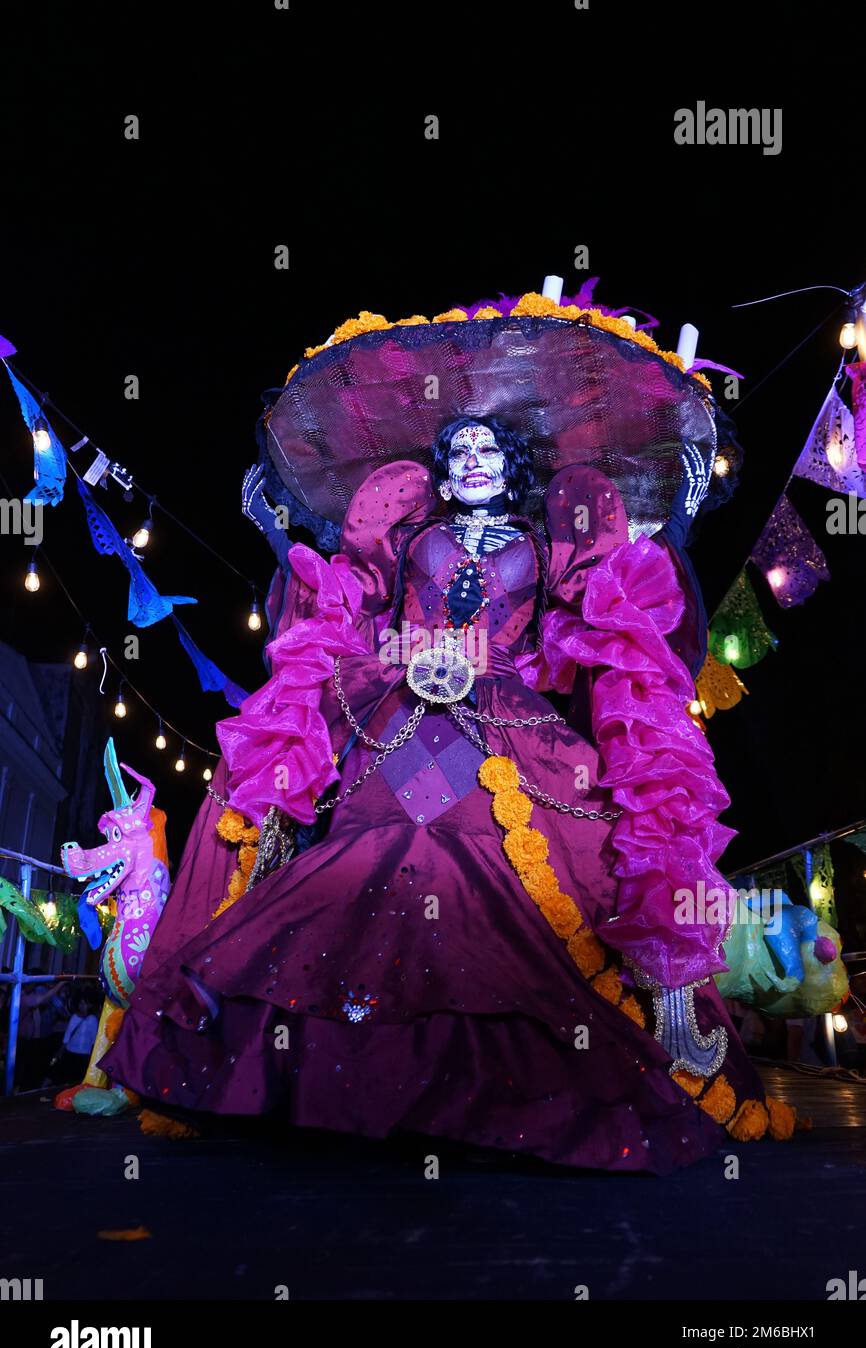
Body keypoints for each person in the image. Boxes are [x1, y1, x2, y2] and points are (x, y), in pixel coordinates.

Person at [101, 295, 794, 1170]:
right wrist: (276, 535)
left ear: (512, 466)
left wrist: (679, 525)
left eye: (486, 448)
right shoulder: (406, 532)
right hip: (400, 718)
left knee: (529, 859)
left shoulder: (549, 545)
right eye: (457, 448)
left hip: (507, 722)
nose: (470, 458)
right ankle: (300, 1076)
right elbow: (340, 606)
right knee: (365, 855)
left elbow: (606, 623)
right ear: (442, 465)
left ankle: (527, 1087)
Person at [49, 996, 99, 1086]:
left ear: (90, 1005)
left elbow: (93, 1039)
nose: (81, 1006)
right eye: (80, 1003)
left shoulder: (93, 1019)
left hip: (84, 1054)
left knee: (78, 1080)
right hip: (71, 1052)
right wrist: (61, 1050)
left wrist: (92, 1056)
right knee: (67, 1078)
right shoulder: (74, 1017)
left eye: (84, 1004)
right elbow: (67, 1035)